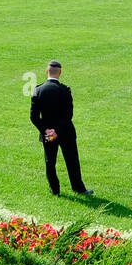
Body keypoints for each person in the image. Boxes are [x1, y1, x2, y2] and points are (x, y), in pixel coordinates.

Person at [29, 60, 91, 196]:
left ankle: (55, 190)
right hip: (65, 133)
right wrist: (57, 130)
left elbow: (33, 117)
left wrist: (47, 130)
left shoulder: (37, 90)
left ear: (47, 72)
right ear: (60, 73)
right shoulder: (65, 90)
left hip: (48, 134)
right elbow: (68, 115)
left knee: (50, 161)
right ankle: (78, 188)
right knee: (72, 160)